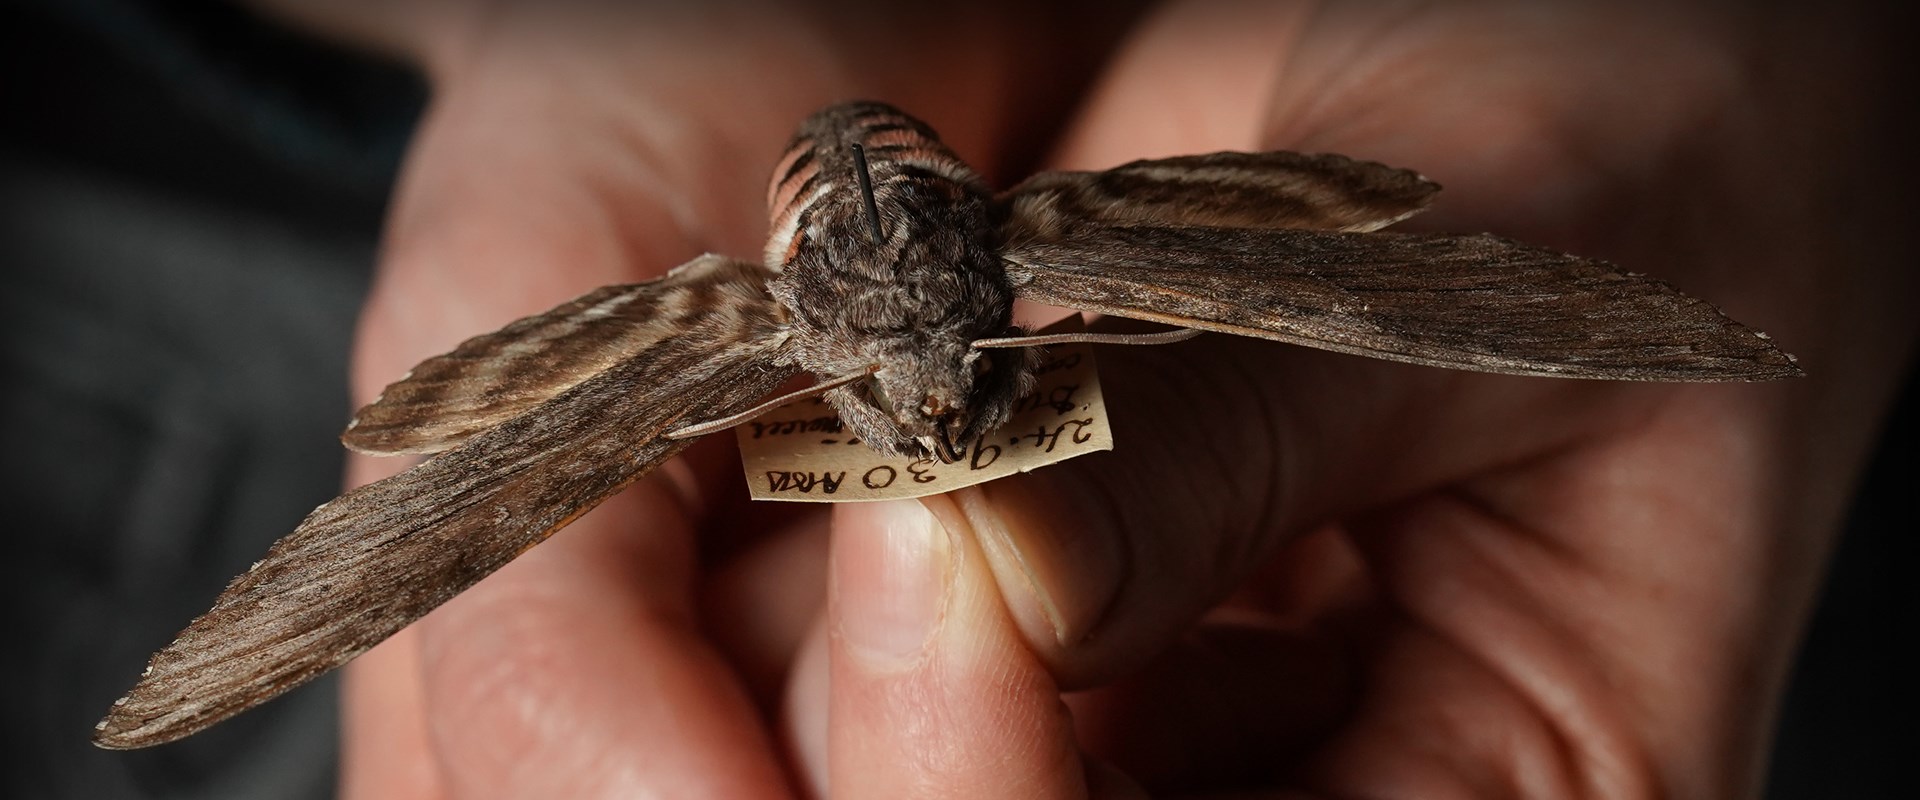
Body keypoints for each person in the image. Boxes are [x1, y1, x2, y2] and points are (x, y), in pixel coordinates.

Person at [242, 0, 1913, 796]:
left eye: (952, 376)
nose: (929, 405)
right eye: (900, 387)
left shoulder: (1021, 275)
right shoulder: (751, 327)